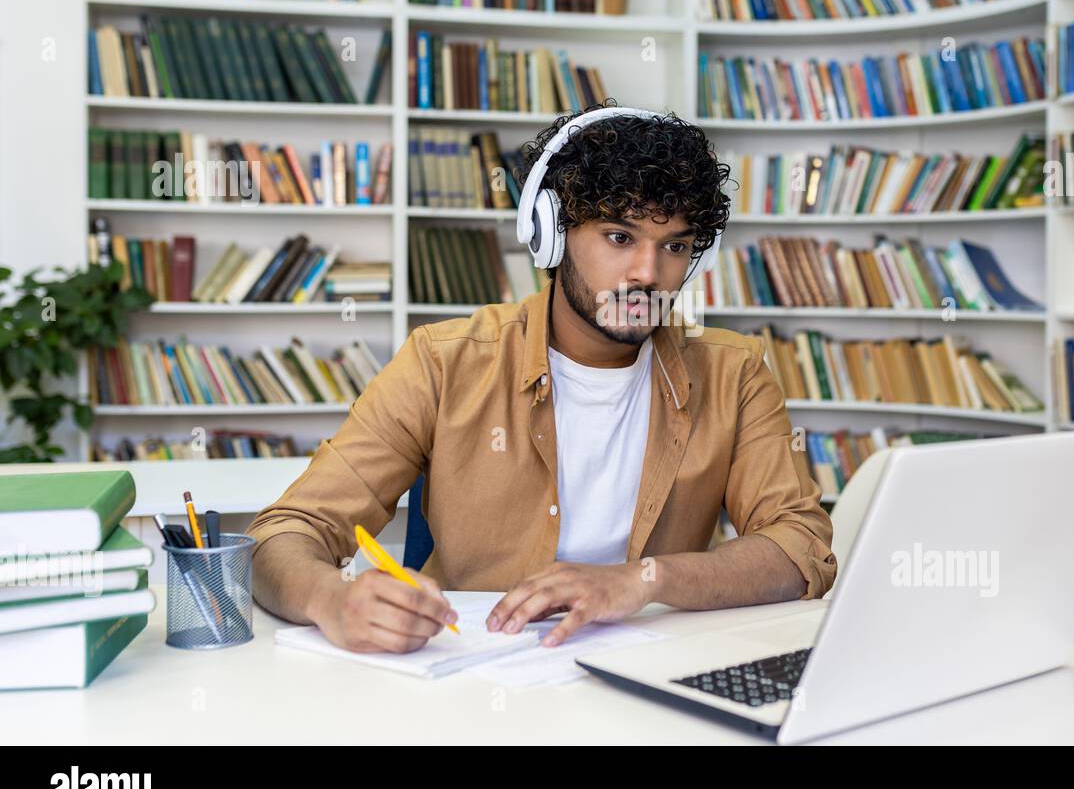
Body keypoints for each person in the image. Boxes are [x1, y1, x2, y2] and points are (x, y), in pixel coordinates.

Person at [246, 100, 836, 652]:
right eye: (620, 236)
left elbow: (802, 548)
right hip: (472, 671)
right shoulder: (444, 361)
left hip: (645, 672)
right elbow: (287, 532)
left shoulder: (735, 374)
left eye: (675, 247)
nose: (648, 273)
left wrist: (644, 580)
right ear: (551, 233)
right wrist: (334, 600)